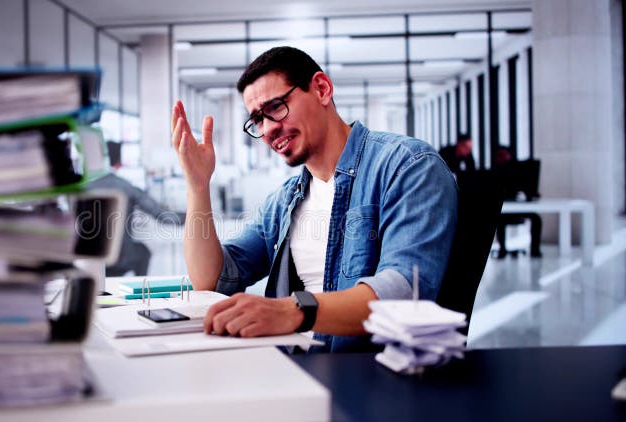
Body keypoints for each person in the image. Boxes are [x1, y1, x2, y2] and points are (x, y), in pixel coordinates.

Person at [170, 46, 458, 352]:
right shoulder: (286, 200)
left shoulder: (407, 165)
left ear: (321, 89)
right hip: (295, 363)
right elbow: (212, 280)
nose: (268, 129)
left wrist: (291, 311)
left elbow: (403, 293)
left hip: (366, 372)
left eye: (276, 107)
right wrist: (198, 186)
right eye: (257, 120)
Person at [89, 141, 183, 276]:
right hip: (120, 258)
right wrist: (191, 214)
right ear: (119, 162)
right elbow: (163, 216)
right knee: (143, 253)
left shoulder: (85, 188)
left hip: (92, 259)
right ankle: (139, 287)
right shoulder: (126, 187)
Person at [493, 147, 543, 258]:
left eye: (505, 155)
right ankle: (502, 249)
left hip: (518, 207)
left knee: (536, 219)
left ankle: (535, 250)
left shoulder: (519, 171)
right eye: (500, 155)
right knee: (499, 220)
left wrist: (531, 193)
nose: (503, 158)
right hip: (504, 210)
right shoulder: (494, 172)